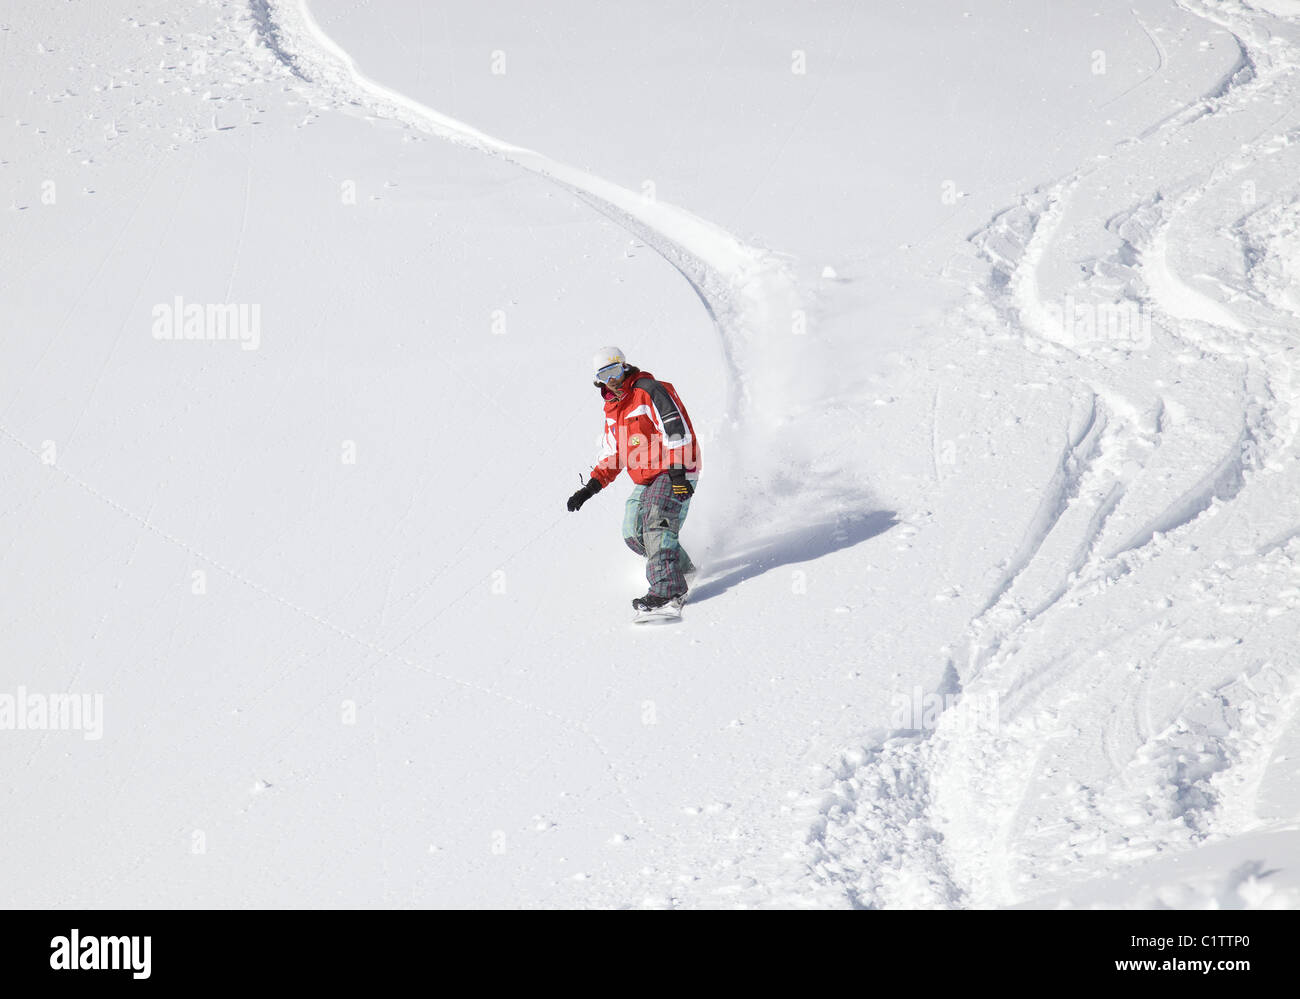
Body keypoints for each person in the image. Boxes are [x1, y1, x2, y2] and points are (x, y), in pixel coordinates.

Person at [567, 347, 700, 612]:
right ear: (598, 381)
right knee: (633, 534)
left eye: (615, 371)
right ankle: (682, 571)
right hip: (646, 477)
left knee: (656, 524)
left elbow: (676, 428)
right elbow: (614, 454)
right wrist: (590, 488)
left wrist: (677, 473)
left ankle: (668, 589)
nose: (612, 380)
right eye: (605, 376)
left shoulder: (648, 390)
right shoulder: (612, 410)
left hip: (674, 469)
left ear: (625, 367)